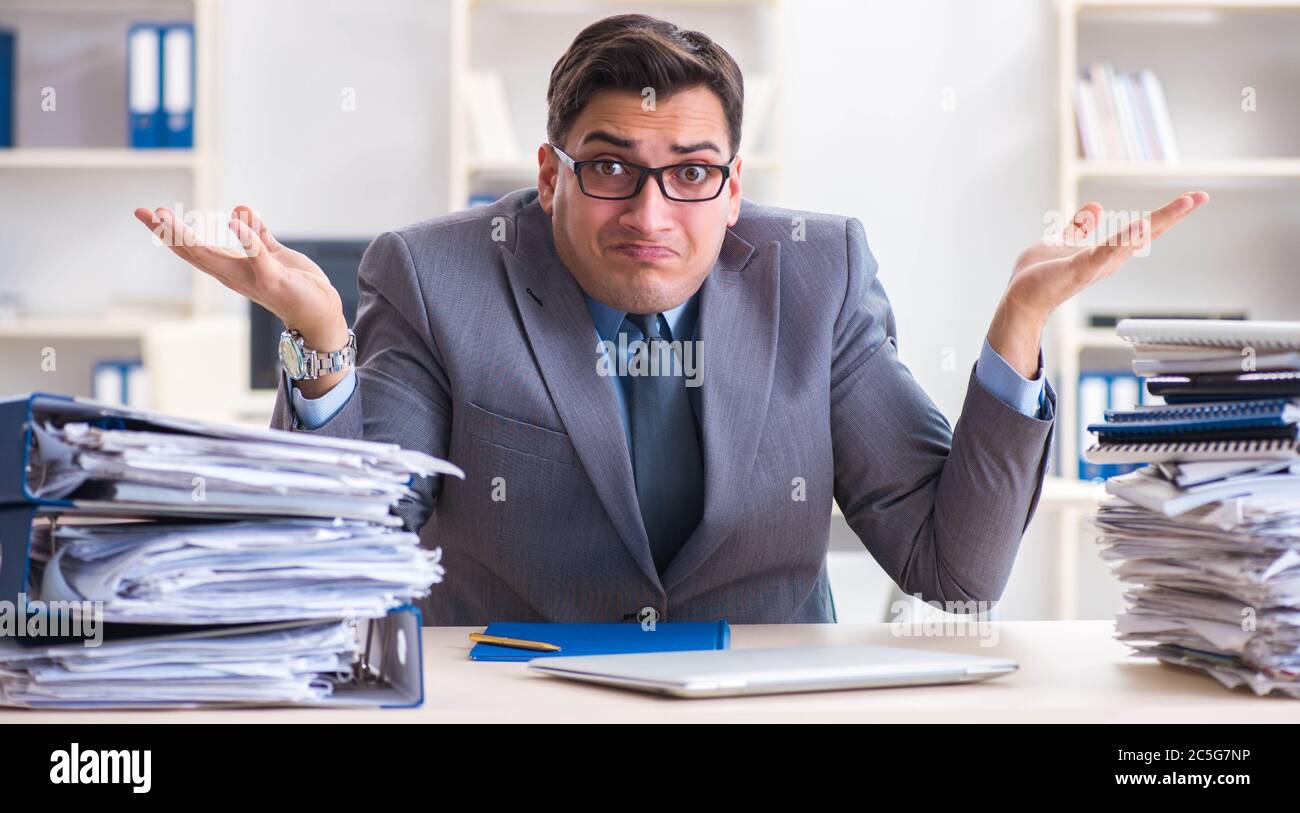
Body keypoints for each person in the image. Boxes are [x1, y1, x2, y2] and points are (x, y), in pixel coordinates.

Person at [133, 14, 1208, 625]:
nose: (649, 213)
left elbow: (954, 572)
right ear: (549, 171)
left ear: (735, 187)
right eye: (609, 168)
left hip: (764, 709)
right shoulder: (432, 274)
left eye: (691, 173)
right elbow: (351, 552)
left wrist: (1017, 322)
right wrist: (321, 343)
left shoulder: (815, 272)